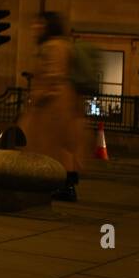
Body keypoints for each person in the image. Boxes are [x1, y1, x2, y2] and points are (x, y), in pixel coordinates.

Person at [18, 11, 88, 201]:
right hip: (59, 100)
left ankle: (64, 186)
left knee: (53, 144)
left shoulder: (53, 46)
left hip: (53, 103)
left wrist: (41, 96)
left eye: (40, 25)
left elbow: (54, 75)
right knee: (61, 145)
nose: (35, 28)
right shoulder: (63, 45)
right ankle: (64, 184)